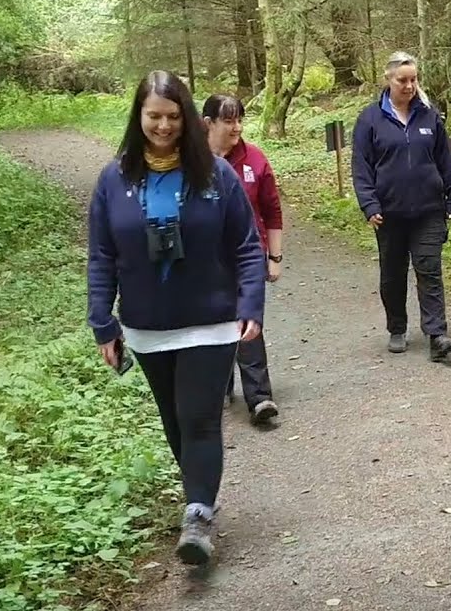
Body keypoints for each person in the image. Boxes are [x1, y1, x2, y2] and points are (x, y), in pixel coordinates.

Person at [87, 70, 266, 566]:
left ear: (187, 118)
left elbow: (247, 247)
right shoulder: (115, 178)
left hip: (210, 320)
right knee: (173, 420)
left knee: (199, 417)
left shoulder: (215, 173)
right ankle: (198, 497)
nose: (163, 126)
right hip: (146, 324)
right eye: (153, 116)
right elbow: (101, 255)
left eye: (172, 116)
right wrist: (103, 321)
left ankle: (198, 515)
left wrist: (250, 303)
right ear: (139, 117)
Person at [351, 51, 451, 362]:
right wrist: (369, 204)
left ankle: (437, 335)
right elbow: (361, 167)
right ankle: (397, 327)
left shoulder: (429, 116)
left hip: (429, 210)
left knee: (429, 269)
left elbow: (447, 161)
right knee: (393, 273)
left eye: (414, 79)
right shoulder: (370, 120)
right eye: (403, 80)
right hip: (389, 213)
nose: (409, 85)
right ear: (389, 80)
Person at [203, 92, 283, 426]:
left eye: (240, 119)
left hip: (247, 256)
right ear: (209, 123)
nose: (236, 127)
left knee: (248, 321)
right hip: (204, 260)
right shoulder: (190, 161)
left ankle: (259, 397)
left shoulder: (255, 159)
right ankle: (218, 383)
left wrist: (274, 256)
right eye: (229, 120)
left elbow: (272, 210)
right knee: (213, 322)